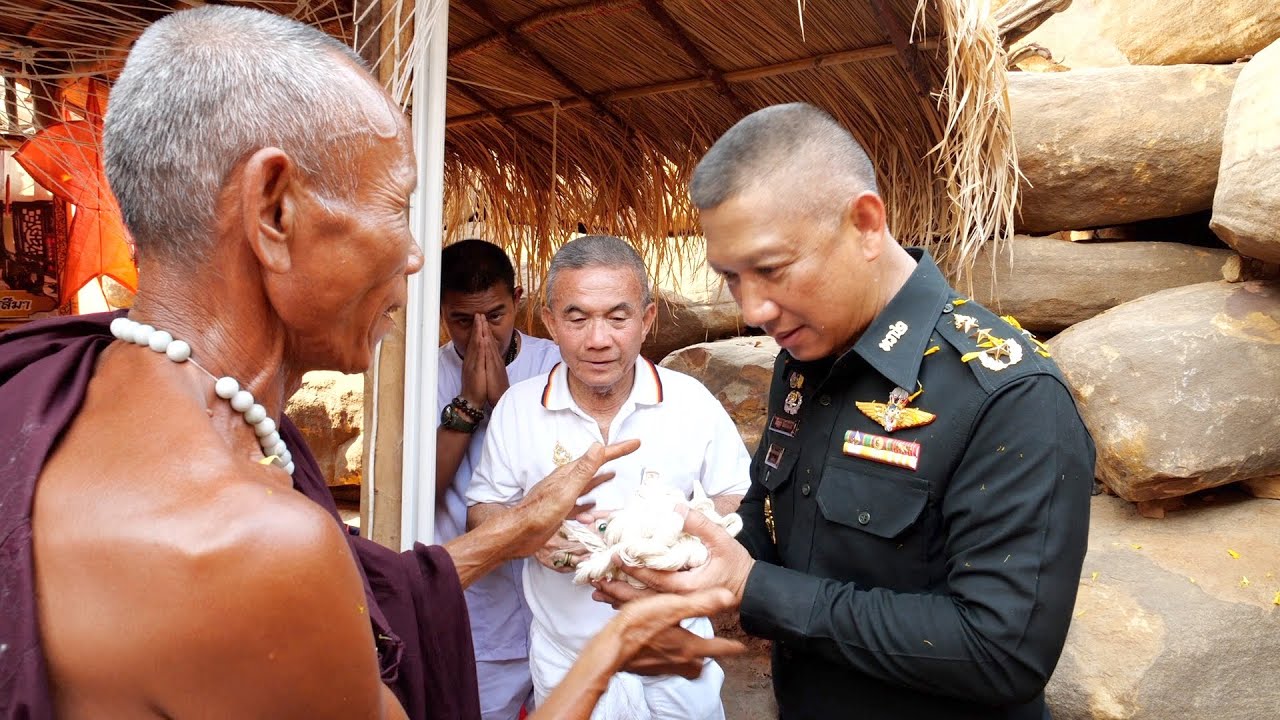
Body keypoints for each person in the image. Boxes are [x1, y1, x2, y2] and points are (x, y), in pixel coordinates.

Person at [0, 7, 741, 719]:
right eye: (397, 207)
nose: (415, 254)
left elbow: (380, 584)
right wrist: (612, 646)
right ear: (274, 213)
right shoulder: (250, 547)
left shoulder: (60, 394)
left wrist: (521, 527)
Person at [594, 103, 1095, 719]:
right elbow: (768, 529)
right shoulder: (804, 359)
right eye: (730, 278)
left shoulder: (1009, 395)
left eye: (771, 269)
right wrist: (672, 569)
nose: (754, 309)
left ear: (864, 224)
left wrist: (753, 589)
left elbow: (1003, 652)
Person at [466, 235, 752, 720]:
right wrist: (529, 530)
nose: (598, 339)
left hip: (675, 651)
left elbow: (739, 496)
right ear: (552, 322)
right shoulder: (519, 407)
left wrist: (676, 543)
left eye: (618, 317)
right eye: (577, 318)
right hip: (564, 658)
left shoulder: (690, 401)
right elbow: (481, 510)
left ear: (647, 319)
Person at [435, 239, 561, 719]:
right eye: (463, 320)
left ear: (519, 300)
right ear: (443, 314)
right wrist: (468, 402)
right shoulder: (426, 376)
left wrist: (505, 403)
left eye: (495, 314)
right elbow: (424, 487)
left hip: (557, 596)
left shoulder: (555, 364)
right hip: (480, 609)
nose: (480, 333)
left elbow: (557, 471)